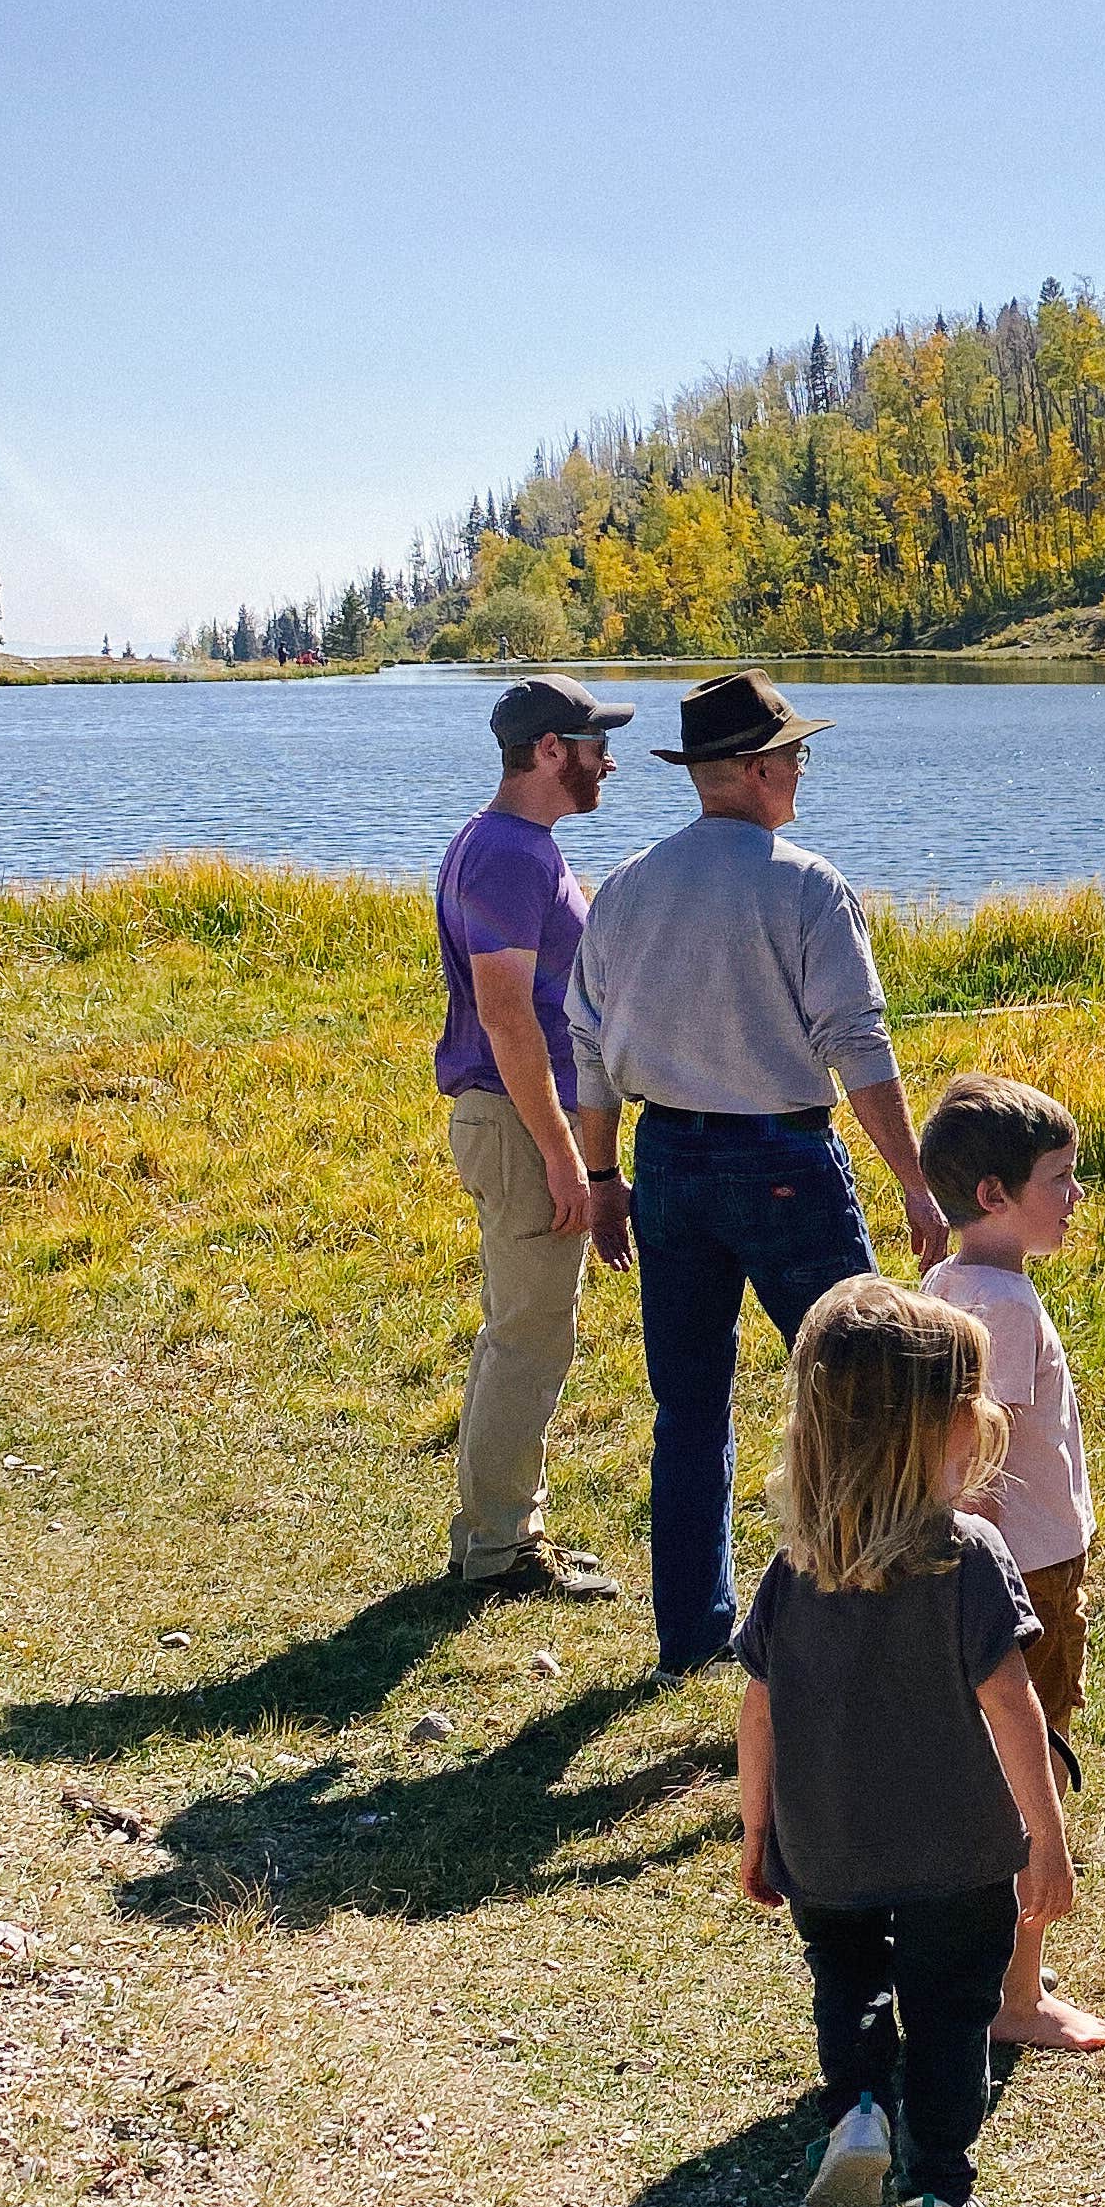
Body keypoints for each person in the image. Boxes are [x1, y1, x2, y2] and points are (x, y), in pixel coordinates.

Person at [567, 669, 952, 1674]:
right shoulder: (806, 886)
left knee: (686, 1407)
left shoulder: (627, 889)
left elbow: (591, 1050)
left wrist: (606, 1178)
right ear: (750, 769)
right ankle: (867, 1607)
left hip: (669, 1164)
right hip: (782, 1161)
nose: (800, 771)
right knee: (860, 1382)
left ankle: (692, 1638)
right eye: (792, 755)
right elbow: (858, 1048)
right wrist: (915, 1183)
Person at [733, 1276, 1075, 2207]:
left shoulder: (795, 1567)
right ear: (940, 1432)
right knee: (952, 2008)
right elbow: (1016, 1711)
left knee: (845, 1979)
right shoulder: (966, 1556)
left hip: (826, 1842)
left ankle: (856, 2116)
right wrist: (1045, 1845)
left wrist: (759, 1832)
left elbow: (758, 1714)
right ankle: (938, 2198)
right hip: (958, 1854)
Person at [920, 1072, 1105, 2057]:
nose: (1076, 1194)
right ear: (994, 1195)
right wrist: (981, 1595)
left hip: (1008, 1577)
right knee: (1026, 1770)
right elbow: (978, 1471)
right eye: (1059, 1177)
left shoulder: (950, 1286)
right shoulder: (999, 1309)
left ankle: (987, 1965)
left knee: (984, 1772)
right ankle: (1017, 1995)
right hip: (1022, 1585)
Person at [432, 671, 635, 1600]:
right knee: (531, 1335)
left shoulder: (511, 843)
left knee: (521, 1330)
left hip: (512, 1118)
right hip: (520, 1123)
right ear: (549, 751)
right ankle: (498, 1552)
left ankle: (504, 1530)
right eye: (594, 745)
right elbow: (506, 1014)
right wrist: (565, 1158)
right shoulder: (512, 853)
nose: (609, 761)